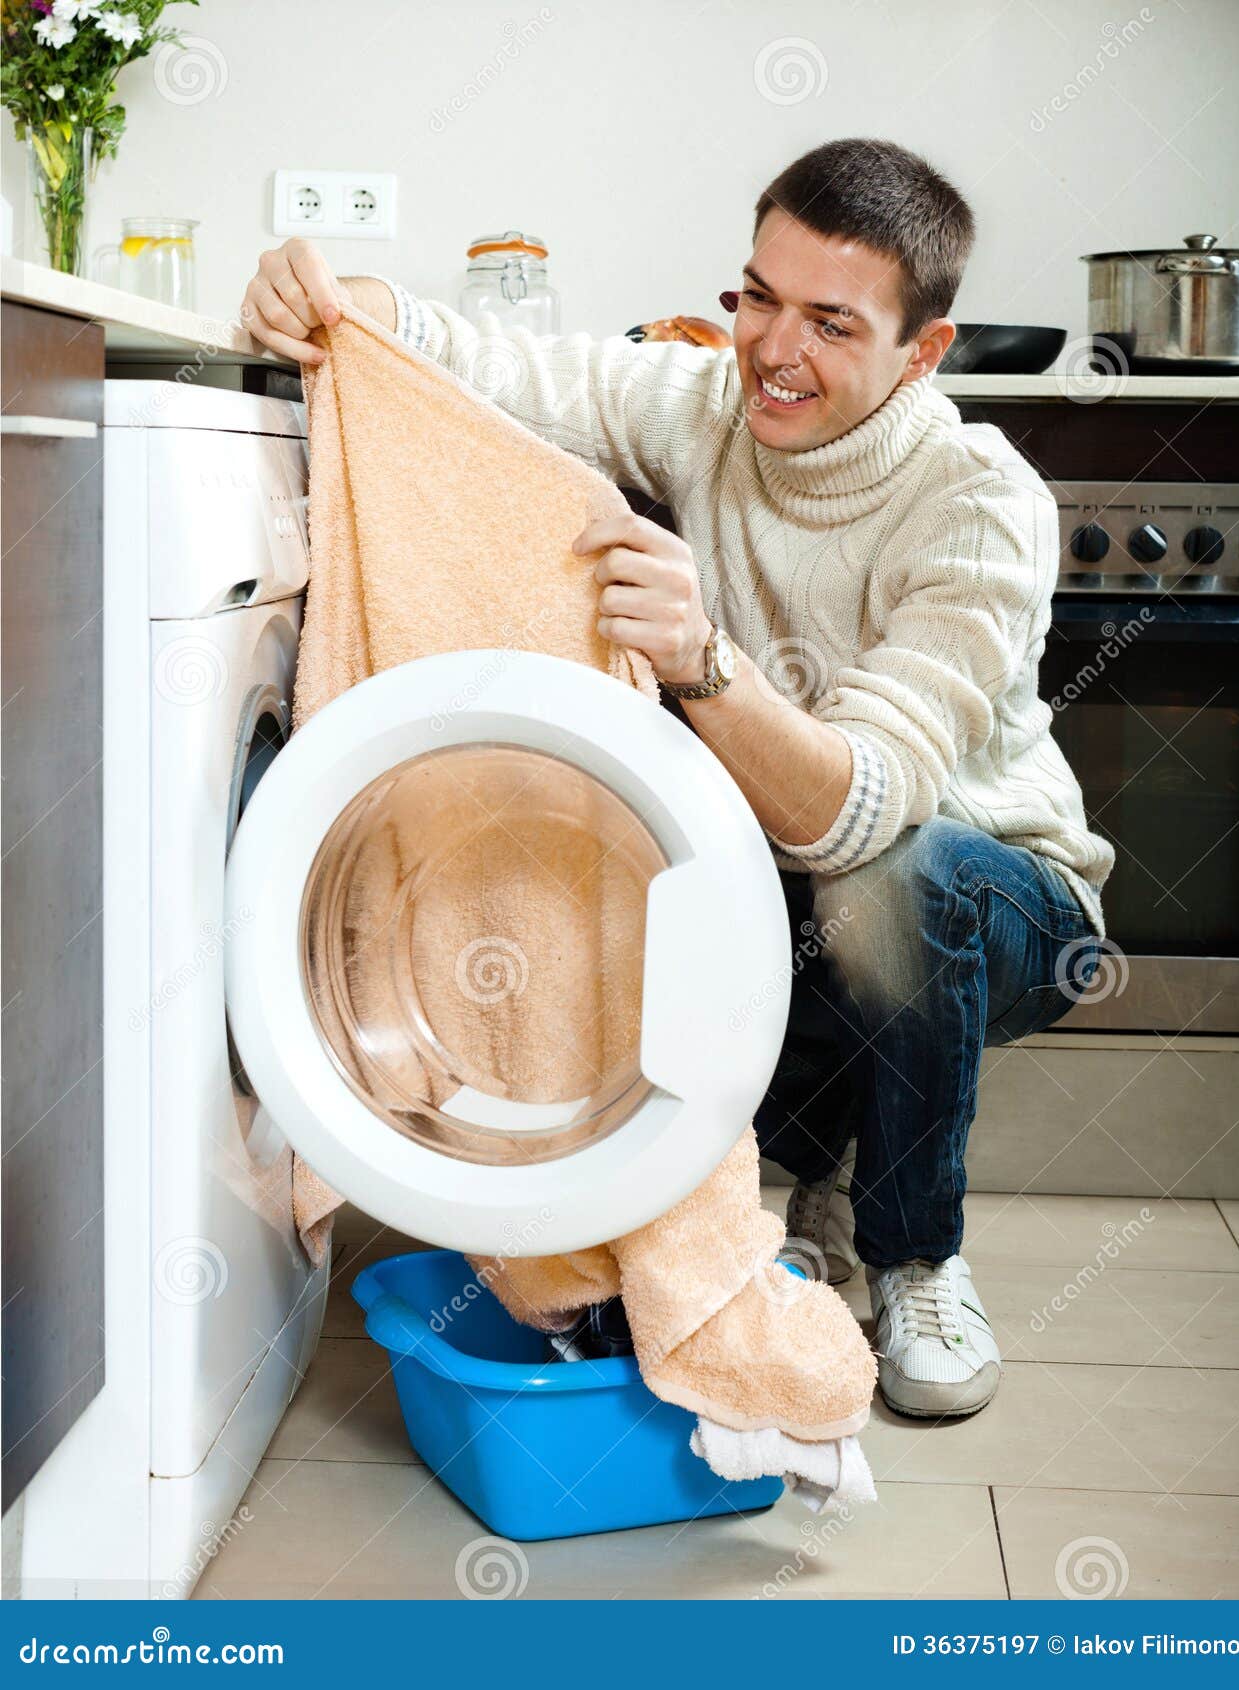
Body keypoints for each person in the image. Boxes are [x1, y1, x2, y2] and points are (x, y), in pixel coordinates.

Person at [241, 136, 1112, 1421]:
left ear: (922, 353)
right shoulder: (708, 406)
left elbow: (856, 807)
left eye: (830, 323)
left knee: (888, 880)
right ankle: (810, 1175)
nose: (773, 350)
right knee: (657, 866)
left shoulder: (979, 500)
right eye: (758, 297)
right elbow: (504, 366)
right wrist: (347, 306)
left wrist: (704, 663)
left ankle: (917, 1251)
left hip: (1000, 889)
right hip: (808, 884)